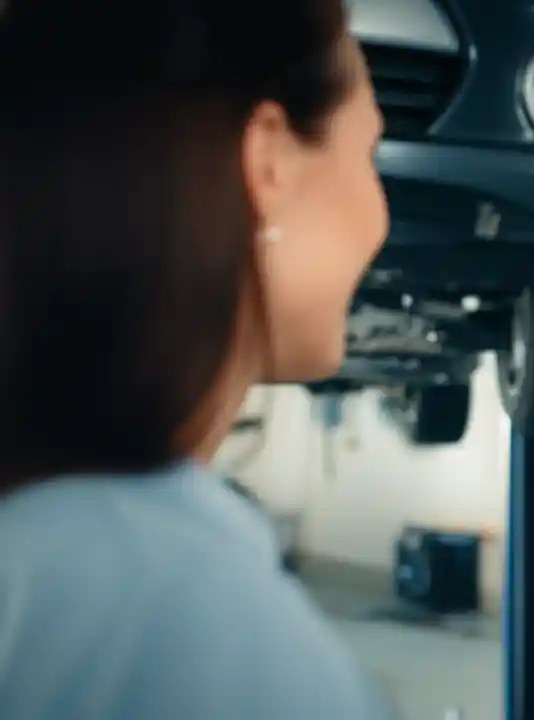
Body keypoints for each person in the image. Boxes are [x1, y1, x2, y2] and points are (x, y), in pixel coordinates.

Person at [0, 1, 393, 718]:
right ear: (268, 158)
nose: (380, 214)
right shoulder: (174, 612)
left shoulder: (40, 542)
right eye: (367, 154)